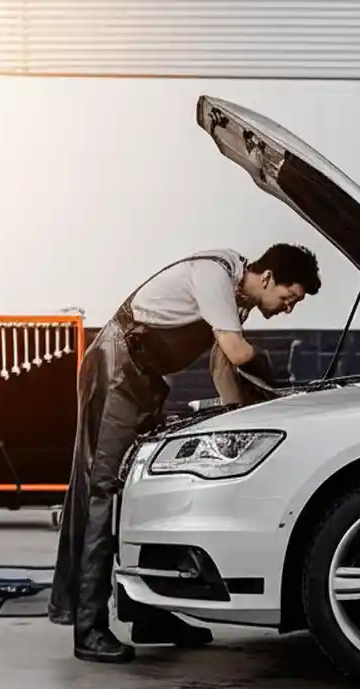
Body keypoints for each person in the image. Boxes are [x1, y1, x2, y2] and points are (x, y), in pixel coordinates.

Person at [48, 243, 322, 663]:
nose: (287, 309)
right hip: (117, 366)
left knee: (139, 494)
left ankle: (148, 615)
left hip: (144, 377)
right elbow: (236, 353)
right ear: (267, 278)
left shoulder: (238, 298)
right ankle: (89, 627)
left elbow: (220, 368)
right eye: (288, 298)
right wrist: (283, 393)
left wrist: (242, 419)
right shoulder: (214, 275)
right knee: (102, 490)